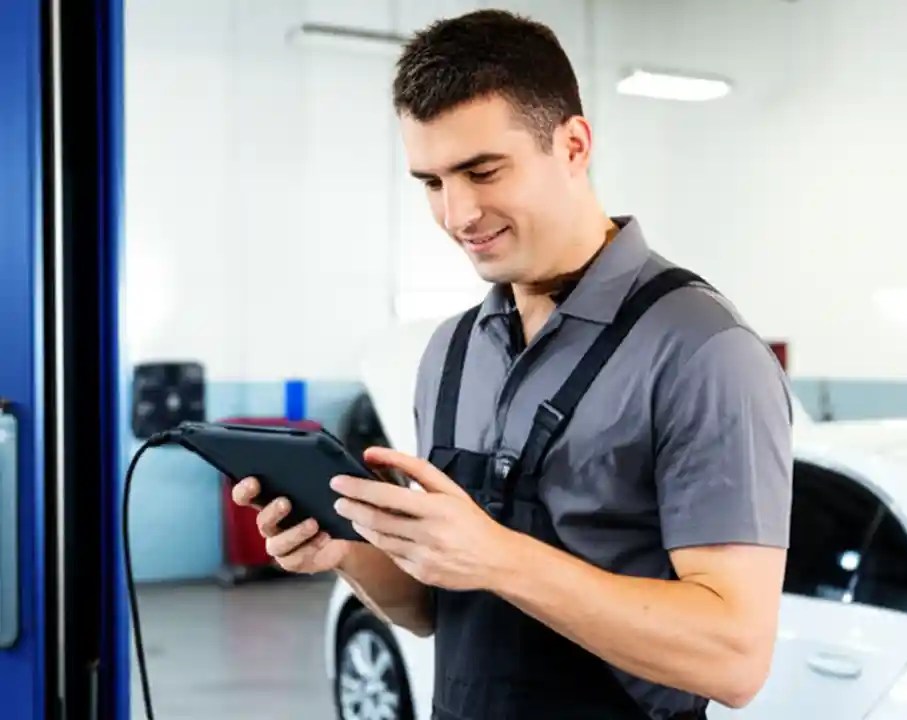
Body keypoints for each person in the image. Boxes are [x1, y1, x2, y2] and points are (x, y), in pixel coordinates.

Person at [232, 9, 793, 719]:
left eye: (483, 171)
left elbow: (735, 660)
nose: (458, 213)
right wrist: (344, 549)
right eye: (432, 182)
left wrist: (498, 556)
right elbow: (432, 609)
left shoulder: (702, 351)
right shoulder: (450, 354)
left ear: (573, 145)